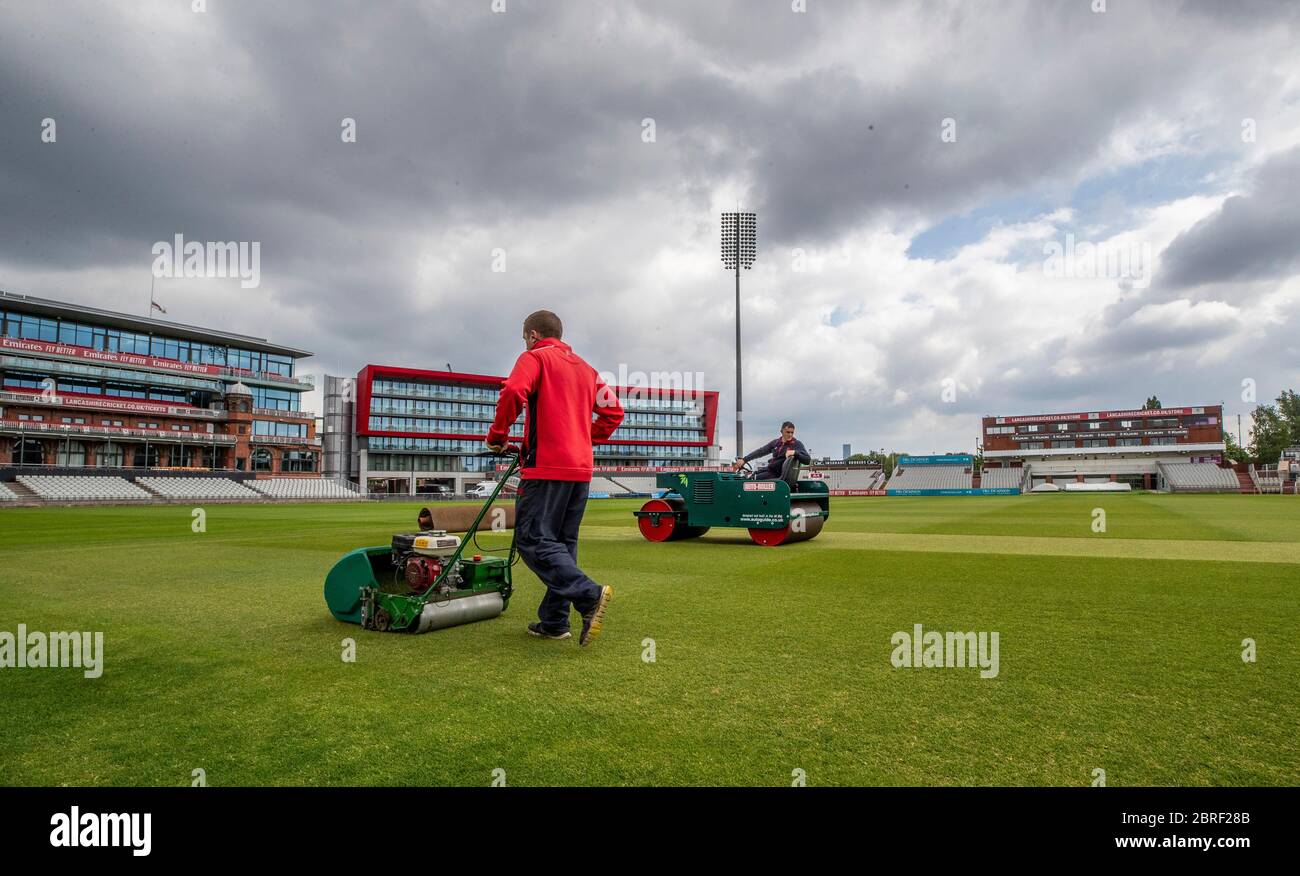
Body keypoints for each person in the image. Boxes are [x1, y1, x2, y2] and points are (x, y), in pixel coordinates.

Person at [486, 310, 623, 646]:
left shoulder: (535, 358)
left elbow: (513, 390)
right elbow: (614, 412)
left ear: (533, 335)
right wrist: (583, 436)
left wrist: (498, 434)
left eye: (524, 338)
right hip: (580, 470)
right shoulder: (587, 370)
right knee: (562, 545)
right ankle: (554, 622)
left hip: (546, 465)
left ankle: (588, 596)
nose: (525, 343)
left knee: (532, 540)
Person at [733, 421, 811, 481]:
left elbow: (807, 460)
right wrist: (744, 459)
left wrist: (795, 452)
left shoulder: (796, 444)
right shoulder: (776, 443)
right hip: (768, 470)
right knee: (747, 476)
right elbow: (761, 451)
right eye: (788, 432)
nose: (790, 435)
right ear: (782, 431)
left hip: (777, 475)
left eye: (792, 432)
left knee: (749, 480)